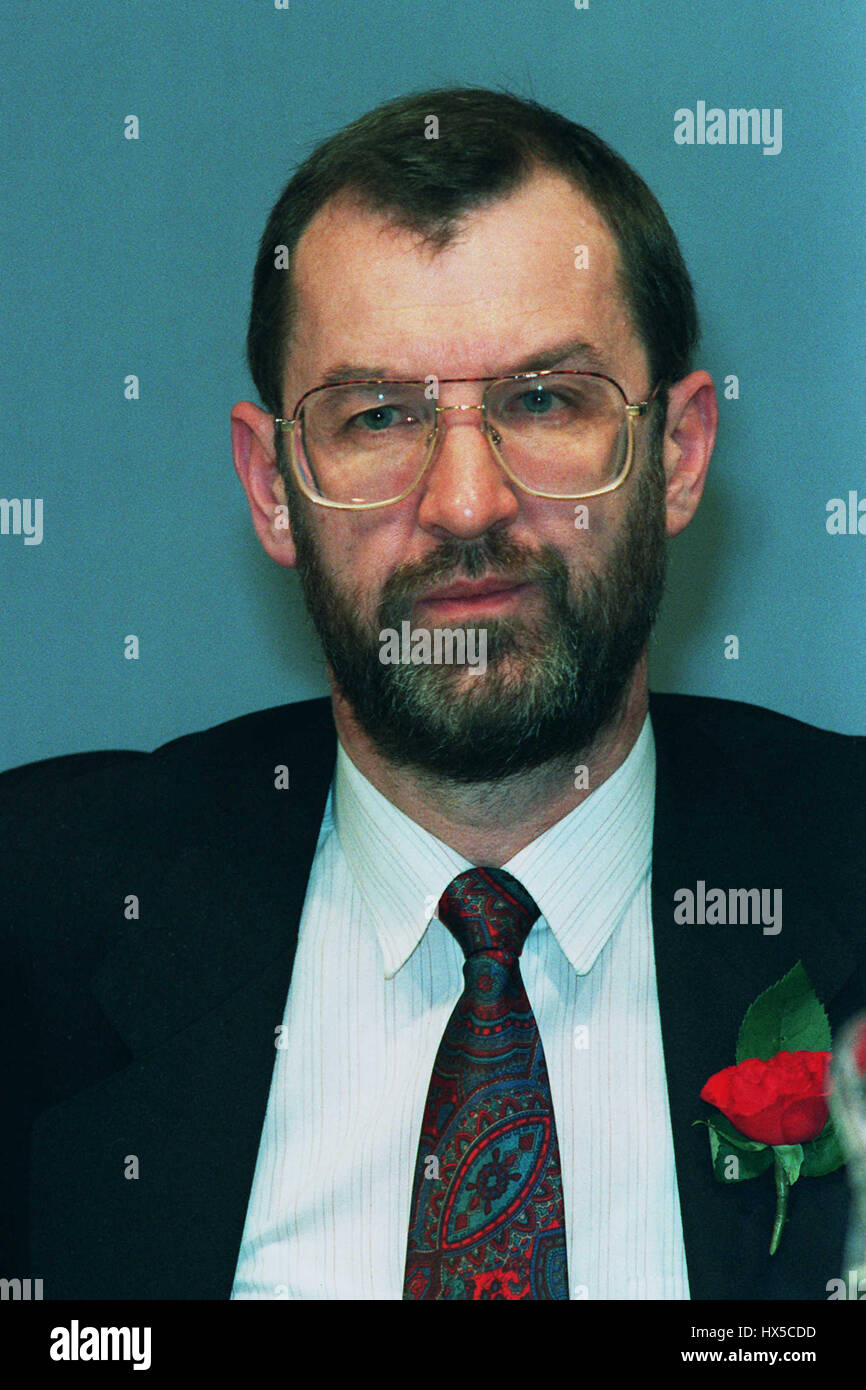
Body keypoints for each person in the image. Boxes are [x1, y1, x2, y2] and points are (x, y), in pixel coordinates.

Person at [2, 87, 864, 1302]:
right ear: (270, 484)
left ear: (675, 453)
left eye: (542, 401)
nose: (465, 503)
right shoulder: (39, 919)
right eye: (377, 416)